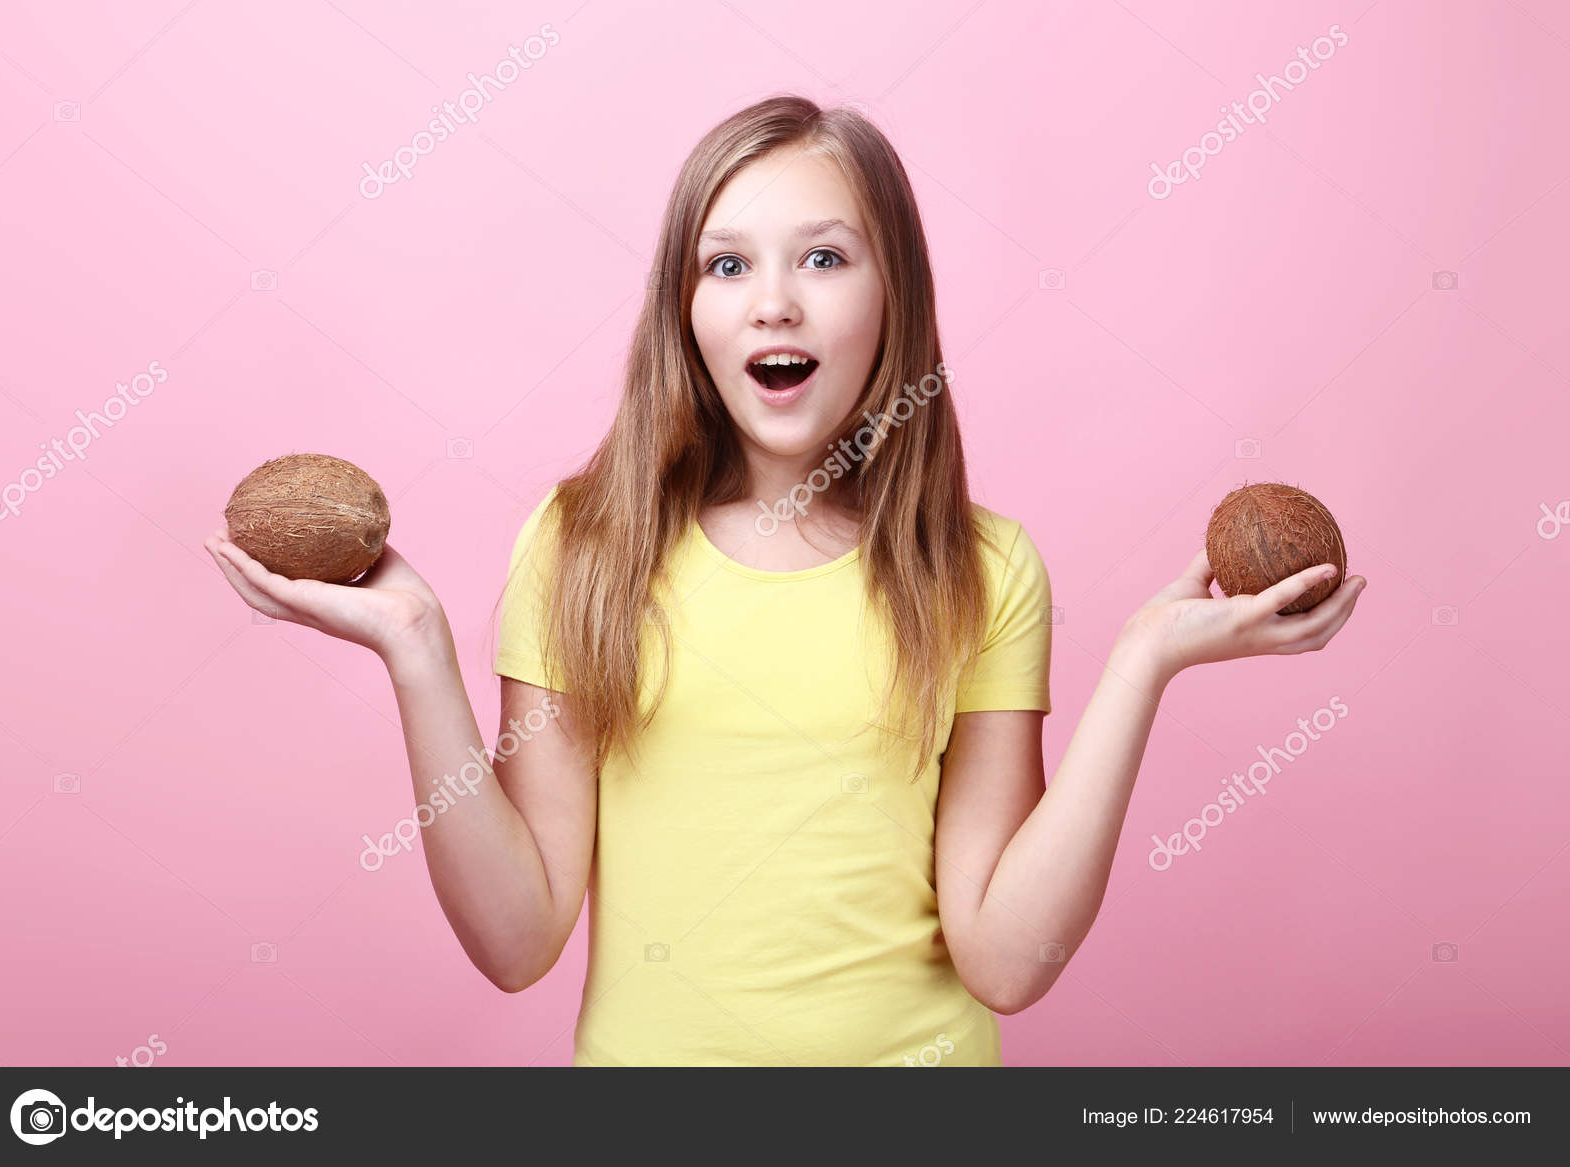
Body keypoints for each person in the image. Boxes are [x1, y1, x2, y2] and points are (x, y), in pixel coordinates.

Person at [205, 94, 1367, 1067]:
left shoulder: (982, 569)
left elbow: (1007, 962)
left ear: (891, 297)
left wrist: (1142, 665)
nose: (775, 300)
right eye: (728, 263)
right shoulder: (581, 547)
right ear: (687, 309)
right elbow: (518, 943)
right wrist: (416, 650)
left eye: (823, 256)